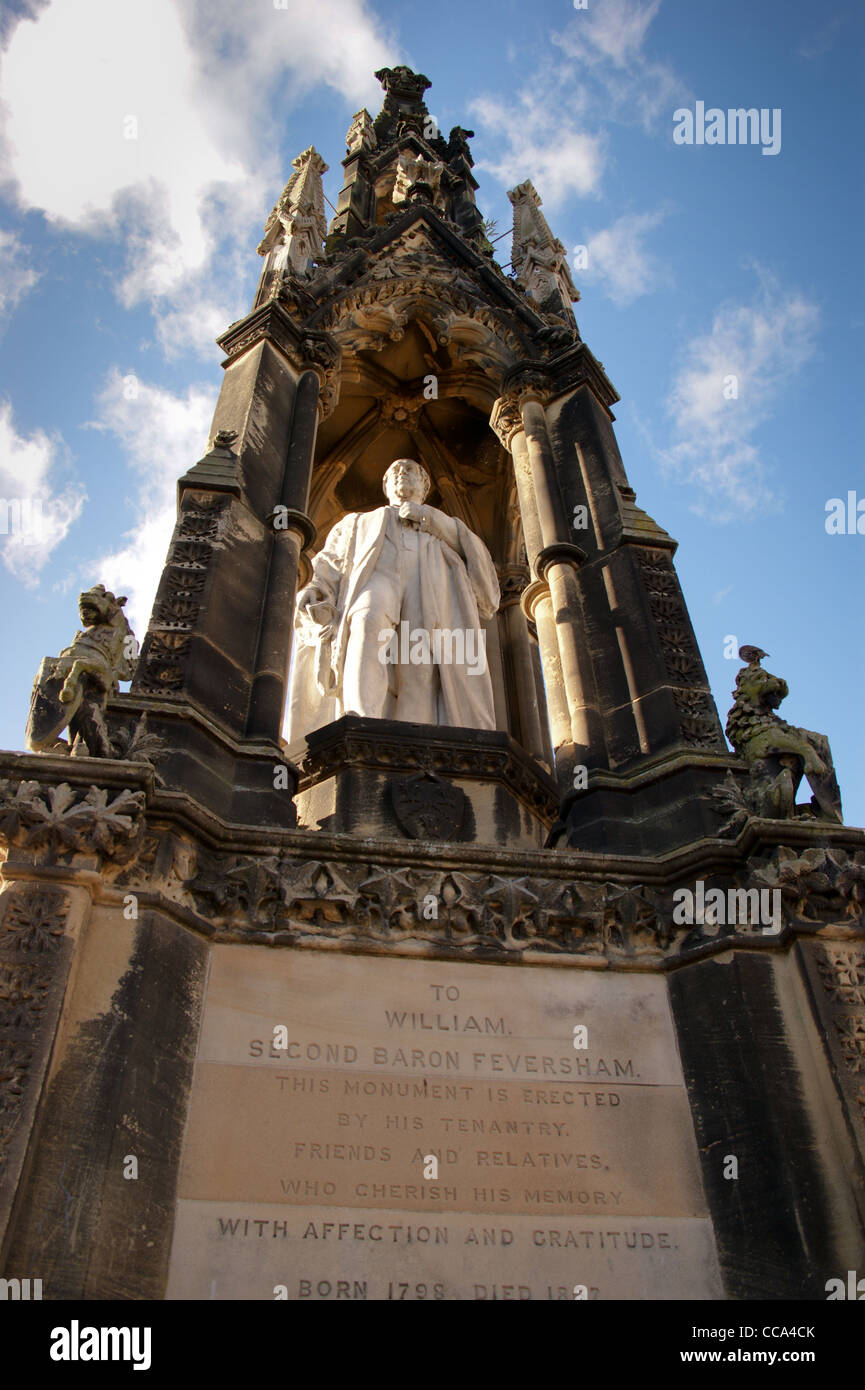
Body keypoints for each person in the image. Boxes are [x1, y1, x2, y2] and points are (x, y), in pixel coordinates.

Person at [287, 459, 499, 739]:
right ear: (386, 486)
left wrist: (428, 518)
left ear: (424, 486)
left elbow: (476, 558)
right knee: (366, 622)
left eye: (410, 470)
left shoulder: (445, 525)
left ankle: (416, 733)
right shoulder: (358, 522)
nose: (401, 473)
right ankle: (362, 717)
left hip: (426, 580)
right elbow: (331, 559)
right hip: (378, 577)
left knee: (419, 657)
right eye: (394, 472)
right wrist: (316, 585)